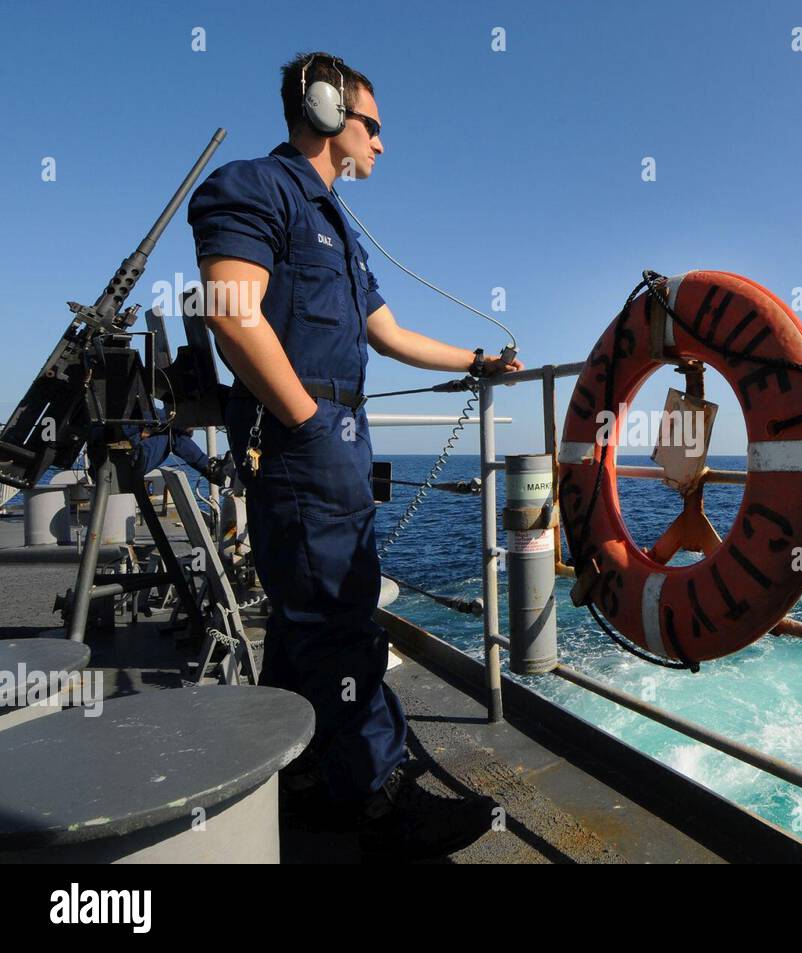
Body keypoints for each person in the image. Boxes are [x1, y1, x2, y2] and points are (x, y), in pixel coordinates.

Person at [187, 51, 521, 860]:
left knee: (305, 619)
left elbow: (389, 334)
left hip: (335, 437)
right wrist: (303, 420)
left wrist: (475, 361)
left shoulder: (336, 222)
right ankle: (380, 796)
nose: (382, 144)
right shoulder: (254, 187)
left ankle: (301, 774)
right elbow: (232, 314)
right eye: (374, 126)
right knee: (340, 612)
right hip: (304, 441)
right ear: (330, 112)